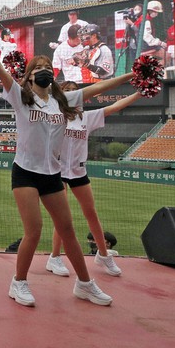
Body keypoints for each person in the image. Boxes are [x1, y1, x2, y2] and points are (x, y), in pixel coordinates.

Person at [0, 43, 133, 307]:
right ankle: (19, 282)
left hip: (53, 173)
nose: (44, 72)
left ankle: (85, 284)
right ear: (29, 76)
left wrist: (130, 76)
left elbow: (99, 88)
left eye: (48, 68)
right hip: (26, 172)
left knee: (68, 230)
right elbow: (2, 73)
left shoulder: (62, 100)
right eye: (38, 68)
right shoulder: (21, 97)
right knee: (34, 231)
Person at [45, 83, 141, 278]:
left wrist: (140, 93)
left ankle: (103, 256)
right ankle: (54, 257)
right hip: (58, 171)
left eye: (77, 93)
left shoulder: (87, 118)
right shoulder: (54, 117)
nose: (75, 97)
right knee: (63, 218)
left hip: (79, 172)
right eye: (69, 92)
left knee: (91, 214)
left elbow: (115, 106)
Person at [137, 0, 168, 66]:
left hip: (147, 48)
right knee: (166, 56)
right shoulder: (146, 20)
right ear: (150, 10)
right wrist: (160, 43)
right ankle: (158, 72)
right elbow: (146, 36)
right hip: (147, 49)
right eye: (155, 11)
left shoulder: (144, 18)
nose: (156, 13)